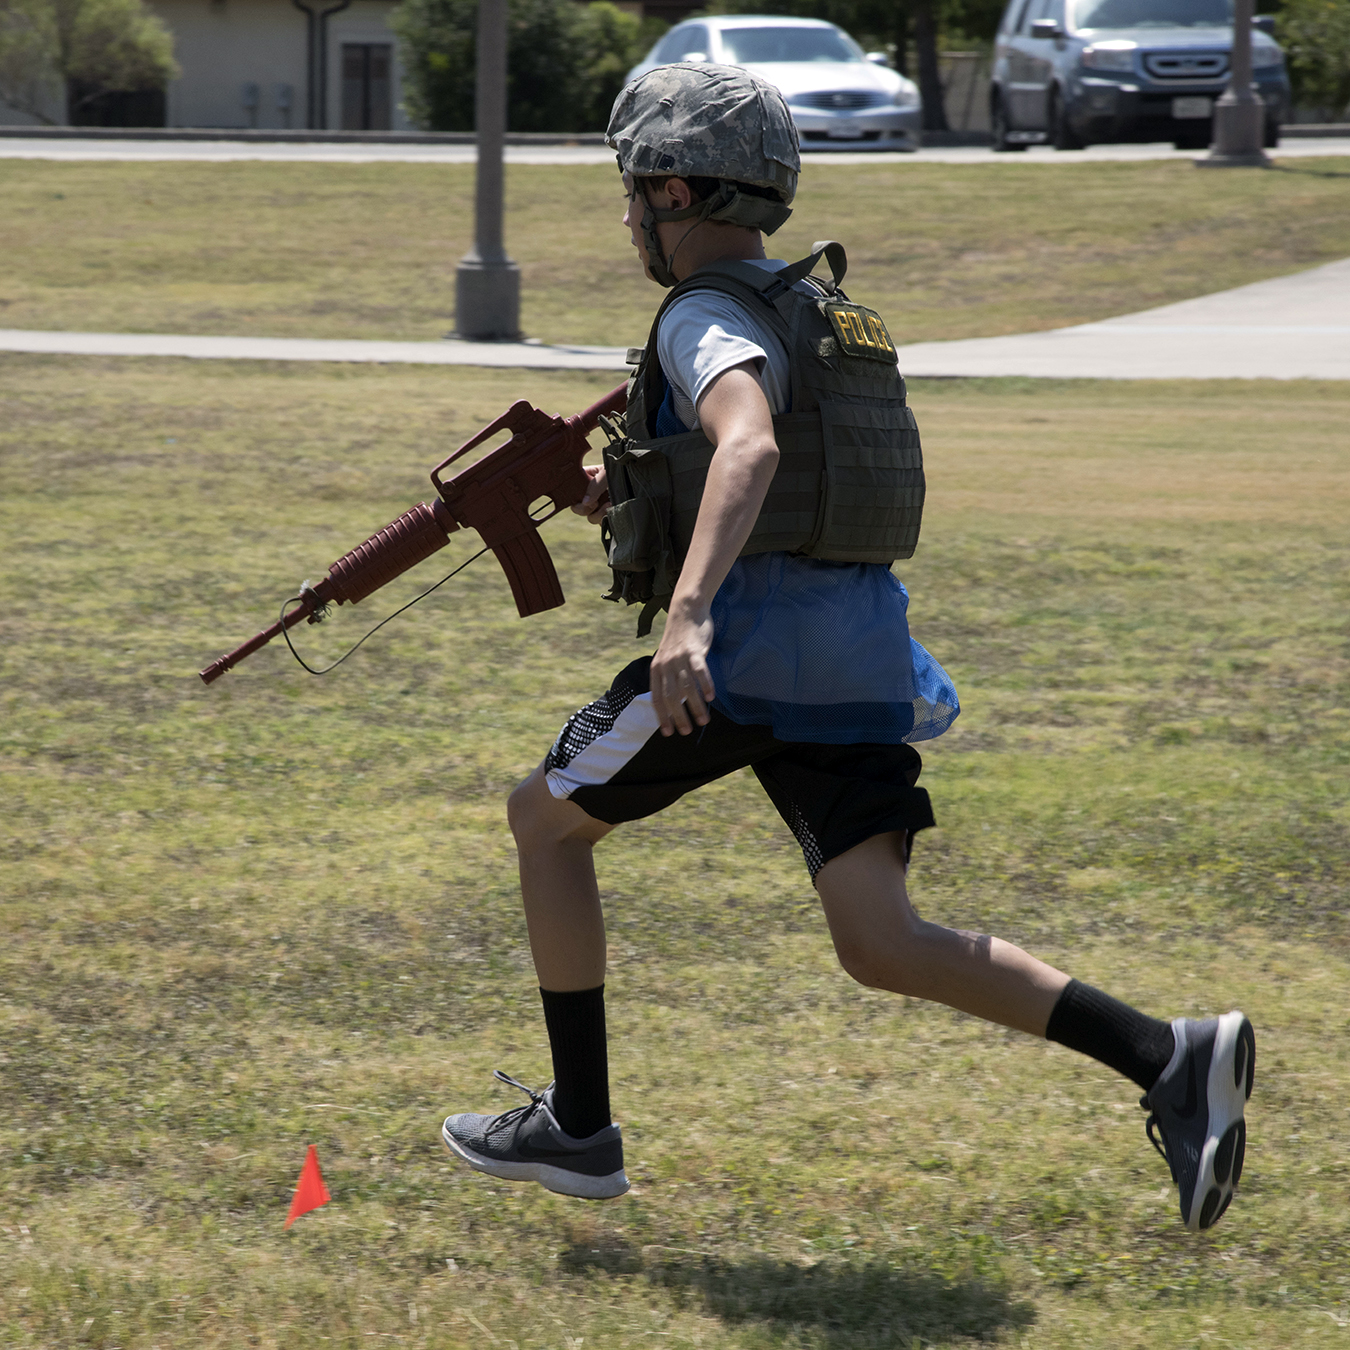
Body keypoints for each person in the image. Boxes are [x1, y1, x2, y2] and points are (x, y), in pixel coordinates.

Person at [440, 63, 1254, 1233]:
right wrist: (598, 500)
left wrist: (687, 619)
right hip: (861, 659)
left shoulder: (700, 313)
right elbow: (781, 483)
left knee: (542, 820)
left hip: (745, 663)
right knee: (883, 939)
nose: (627, 218)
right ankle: (1170, 1055)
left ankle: (578, 1122)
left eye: (632, 193)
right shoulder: (813, 306)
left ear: (672, 191)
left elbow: (751, 449)